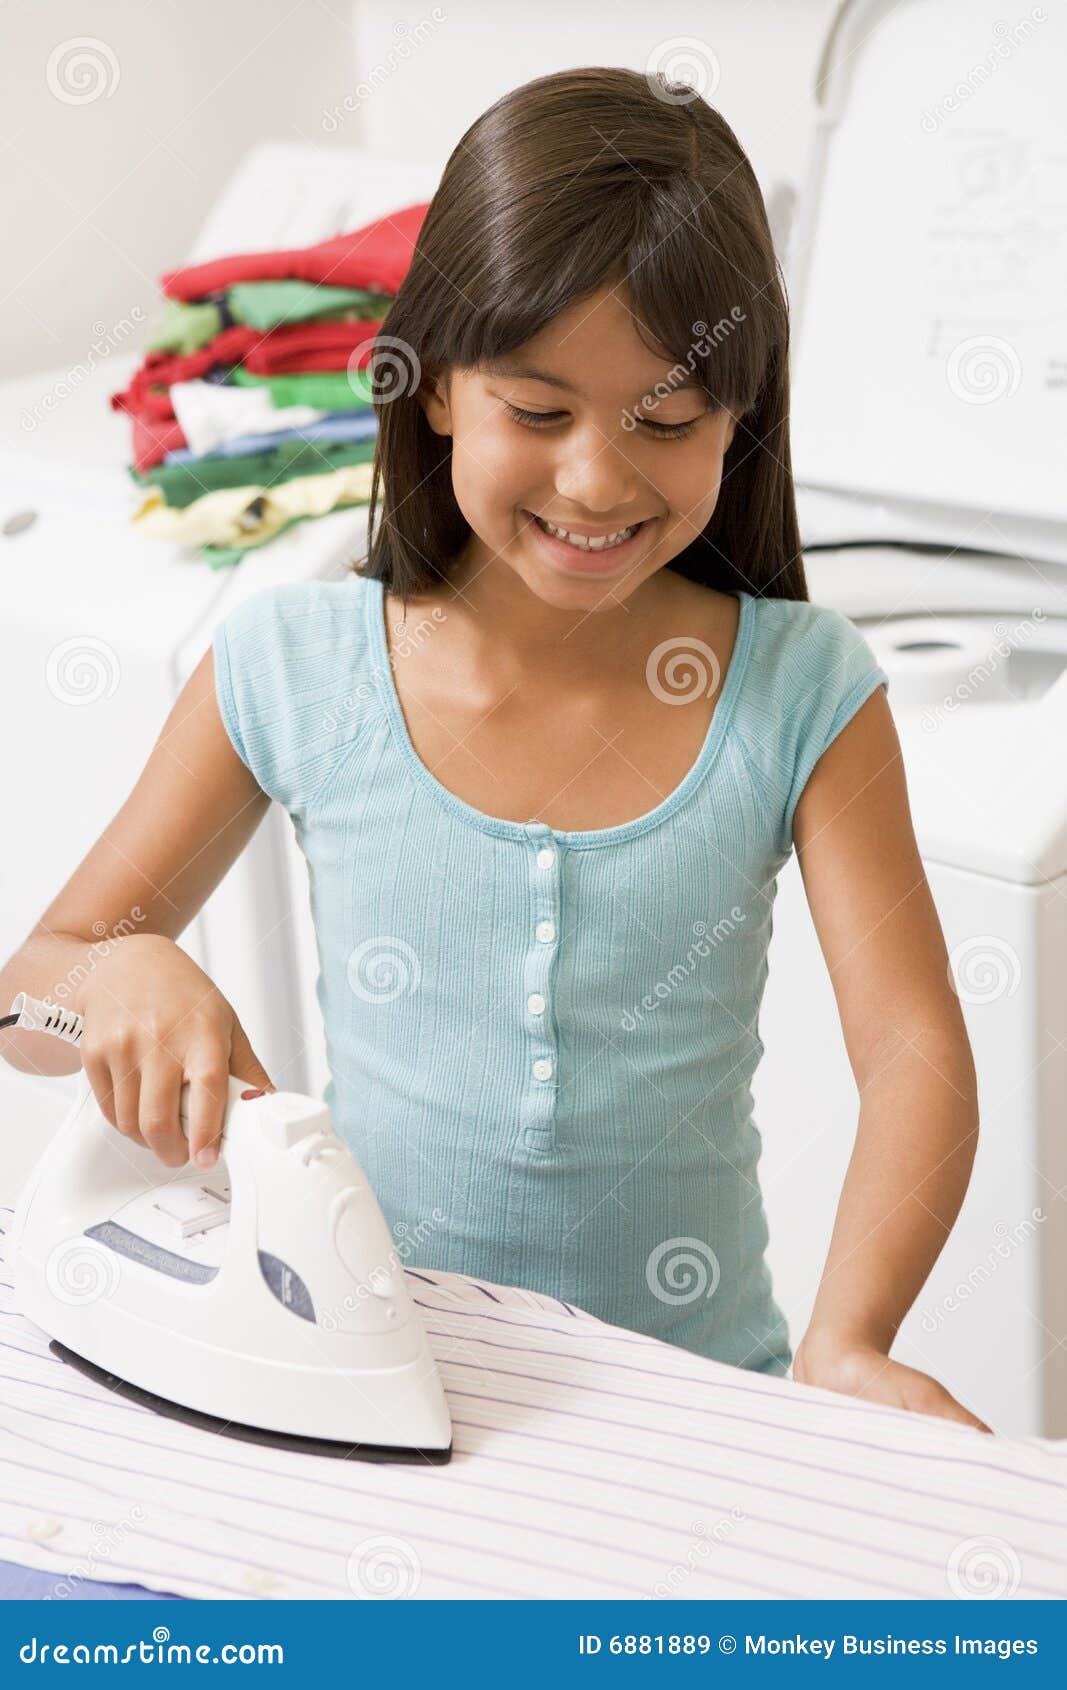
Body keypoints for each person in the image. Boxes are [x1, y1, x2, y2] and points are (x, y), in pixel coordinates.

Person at [0, 67, 990, 1431]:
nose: (596, 479)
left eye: (666, 421)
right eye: (537, 411)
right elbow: (25, 1001)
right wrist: (116, 968)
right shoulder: (293, 665)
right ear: (434, 389)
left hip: (707, 1409)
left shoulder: (802, 690)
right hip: (371, 1395)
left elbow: (915, 1054)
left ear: (739, 415)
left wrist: (850, 1339)